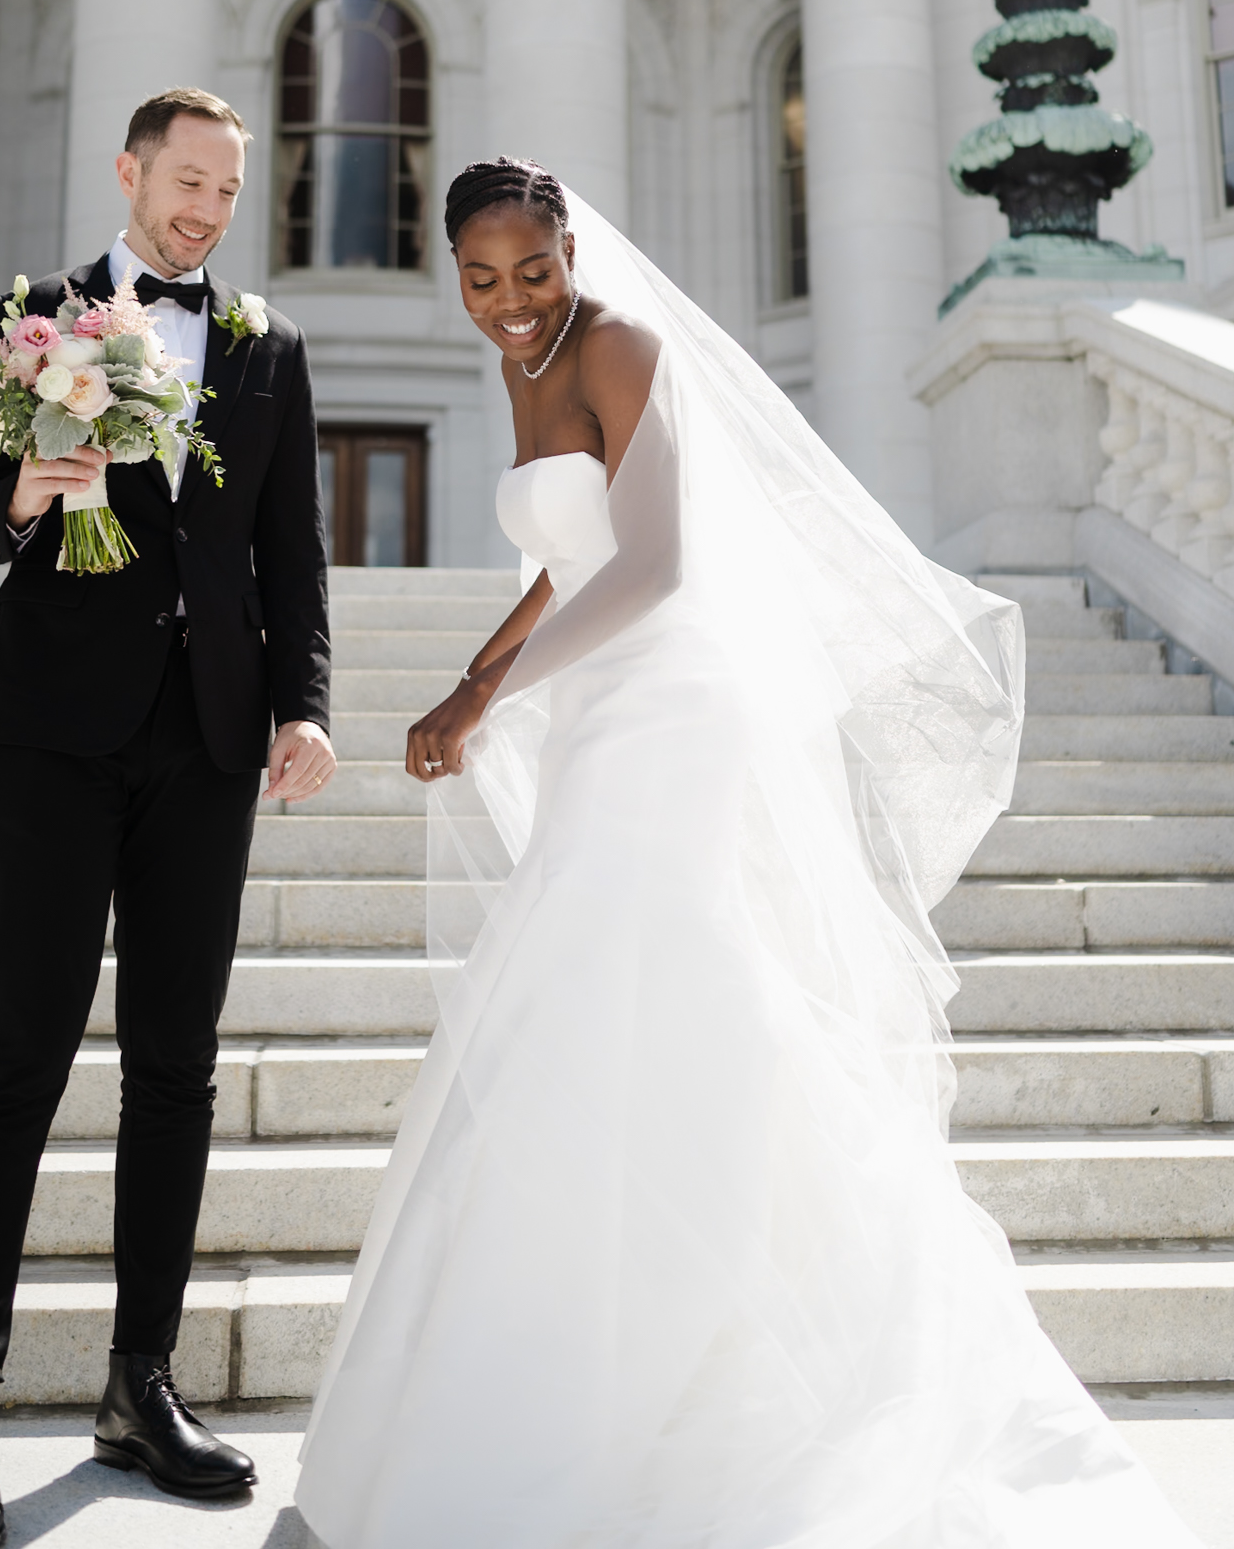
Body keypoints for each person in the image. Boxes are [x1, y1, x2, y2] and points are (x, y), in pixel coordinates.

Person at [295, 156, 1203, 1548]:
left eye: (532, 270)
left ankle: (780, 1326)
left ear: (569, 249)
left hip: (680, 701)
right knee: (583, 996)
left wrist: (489, 694)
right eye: (480, 281)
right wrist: (475, 672)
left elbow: (651, 563)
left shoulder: (619, 343)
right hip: (599, 697)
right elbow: (565, 556)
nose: (509, 303)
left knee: (653, 969)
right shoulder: (522, 367)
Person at [0, 89, 335, 1548]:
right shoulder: (34, 310)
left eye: (228, 189)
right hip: (48, 735)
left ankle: (135, 1388)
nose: (208, 210)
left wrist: (305, 706)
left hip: (208, 741)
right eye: (187, 182)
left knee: (176, 1070)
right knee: (15, 1060)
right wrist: (24, 489)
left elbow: (294, 550)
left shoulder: (270, 345)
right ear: (131, 172)